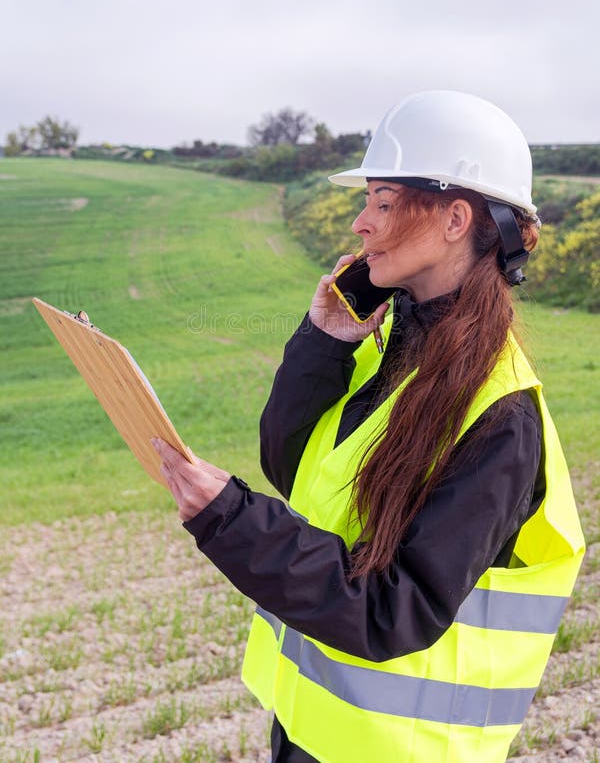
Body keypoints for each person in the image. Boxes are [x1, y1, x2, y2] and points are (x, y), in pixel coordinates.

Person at [153, 90, 585, 763]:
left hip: (400, 750)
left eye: (383, 202)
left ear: (453, 219)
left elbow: (394, 608)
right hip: (313, 731)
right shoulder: (396, 349)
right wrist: (325, 340)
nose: (361, 224)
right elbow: (293, 464)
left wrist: (230, 520)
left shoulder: (501, 417)